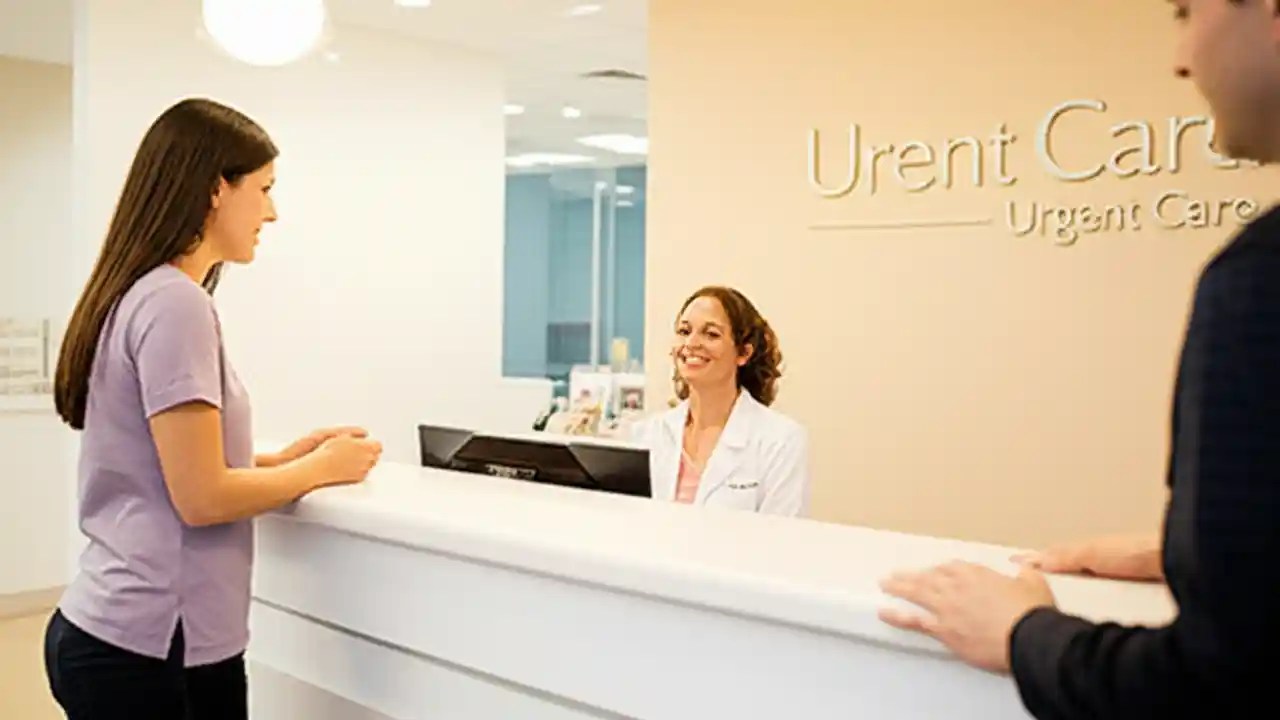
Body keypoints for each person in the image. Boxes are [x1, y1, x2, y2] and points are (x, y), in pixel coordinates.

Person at [878, 2, 1280, 717]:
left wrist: (1023, 634)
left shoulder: (1259, 283)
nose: (1180, 58)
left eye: (1187, 11)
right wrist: (1184, 555)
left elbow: (1217, 687)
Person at [42, 98, 384, 720]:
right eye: (264, 190)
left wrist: (280, 460)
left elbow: (159, 462)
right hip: (153, 648)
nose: (272, 213)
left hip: (111, 632)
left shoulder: (140, 293)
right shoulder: (176, 304)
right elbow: (201, 498)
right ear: (215, 189)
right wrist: (322, 469)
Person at [631, 286, 810, 516]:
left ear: (743, 353)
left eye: (711, 334)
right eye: (684, 331)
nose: (691, 343)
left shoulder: (781, 441)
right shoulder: (646, 435)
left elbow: (781, 534)